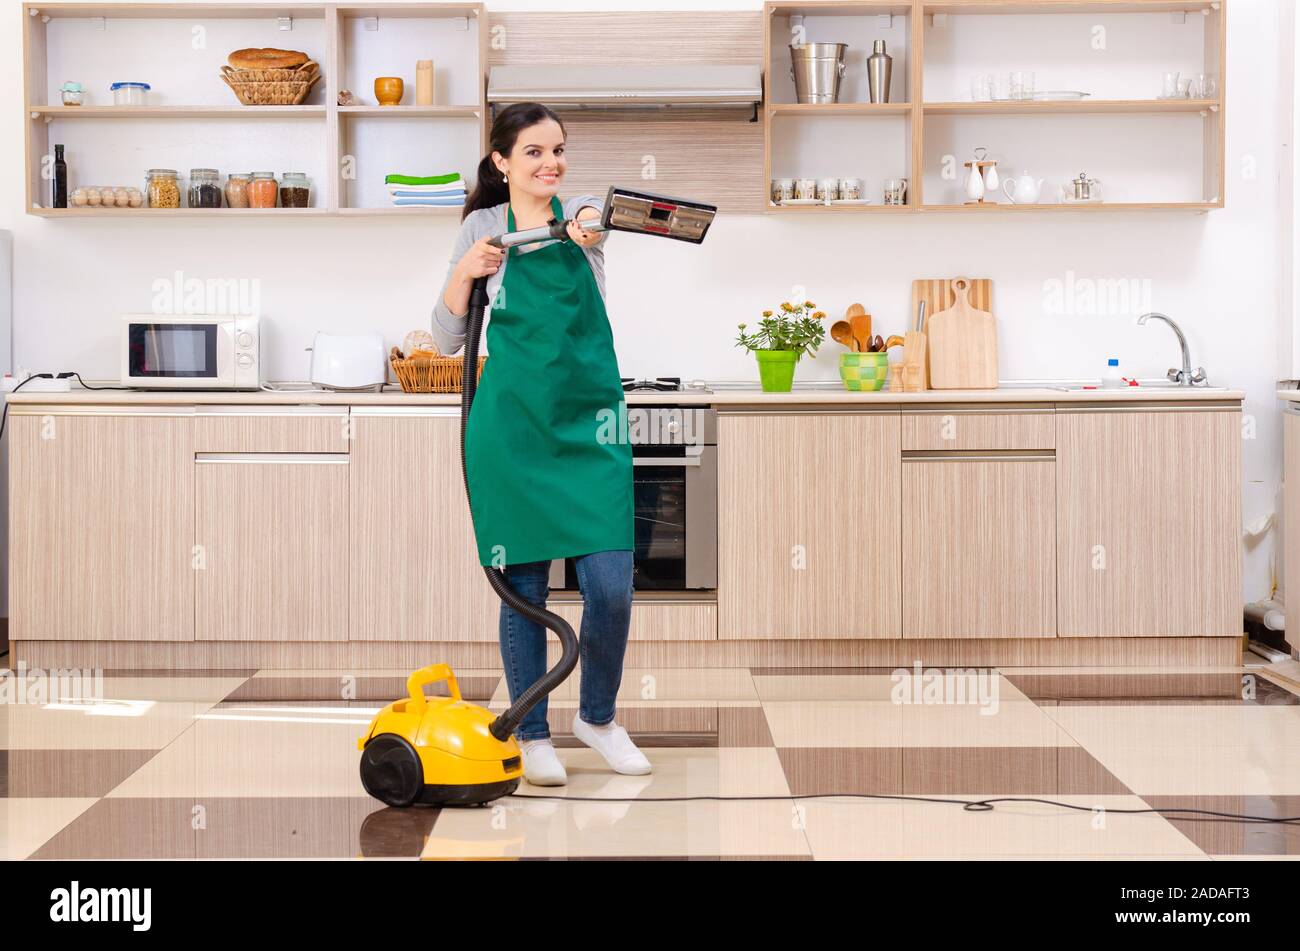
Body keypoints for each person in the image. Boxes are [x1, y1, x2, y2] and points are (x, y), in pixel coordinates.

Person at [432, 101, 651, 786]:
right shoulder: (481, 226)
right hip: (513, 432)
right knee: (523, 588)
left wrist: (586, 225)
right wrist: (465, 272)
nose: (550, 162)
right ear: (501, 162)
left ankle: (599, 716)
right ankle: (531, 730)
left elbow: (594, 219)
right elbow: (446, 340)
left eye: (558, 149)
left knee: (611, 585)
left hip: (590, 428)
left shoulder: (580, 213)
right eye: (533, 152)